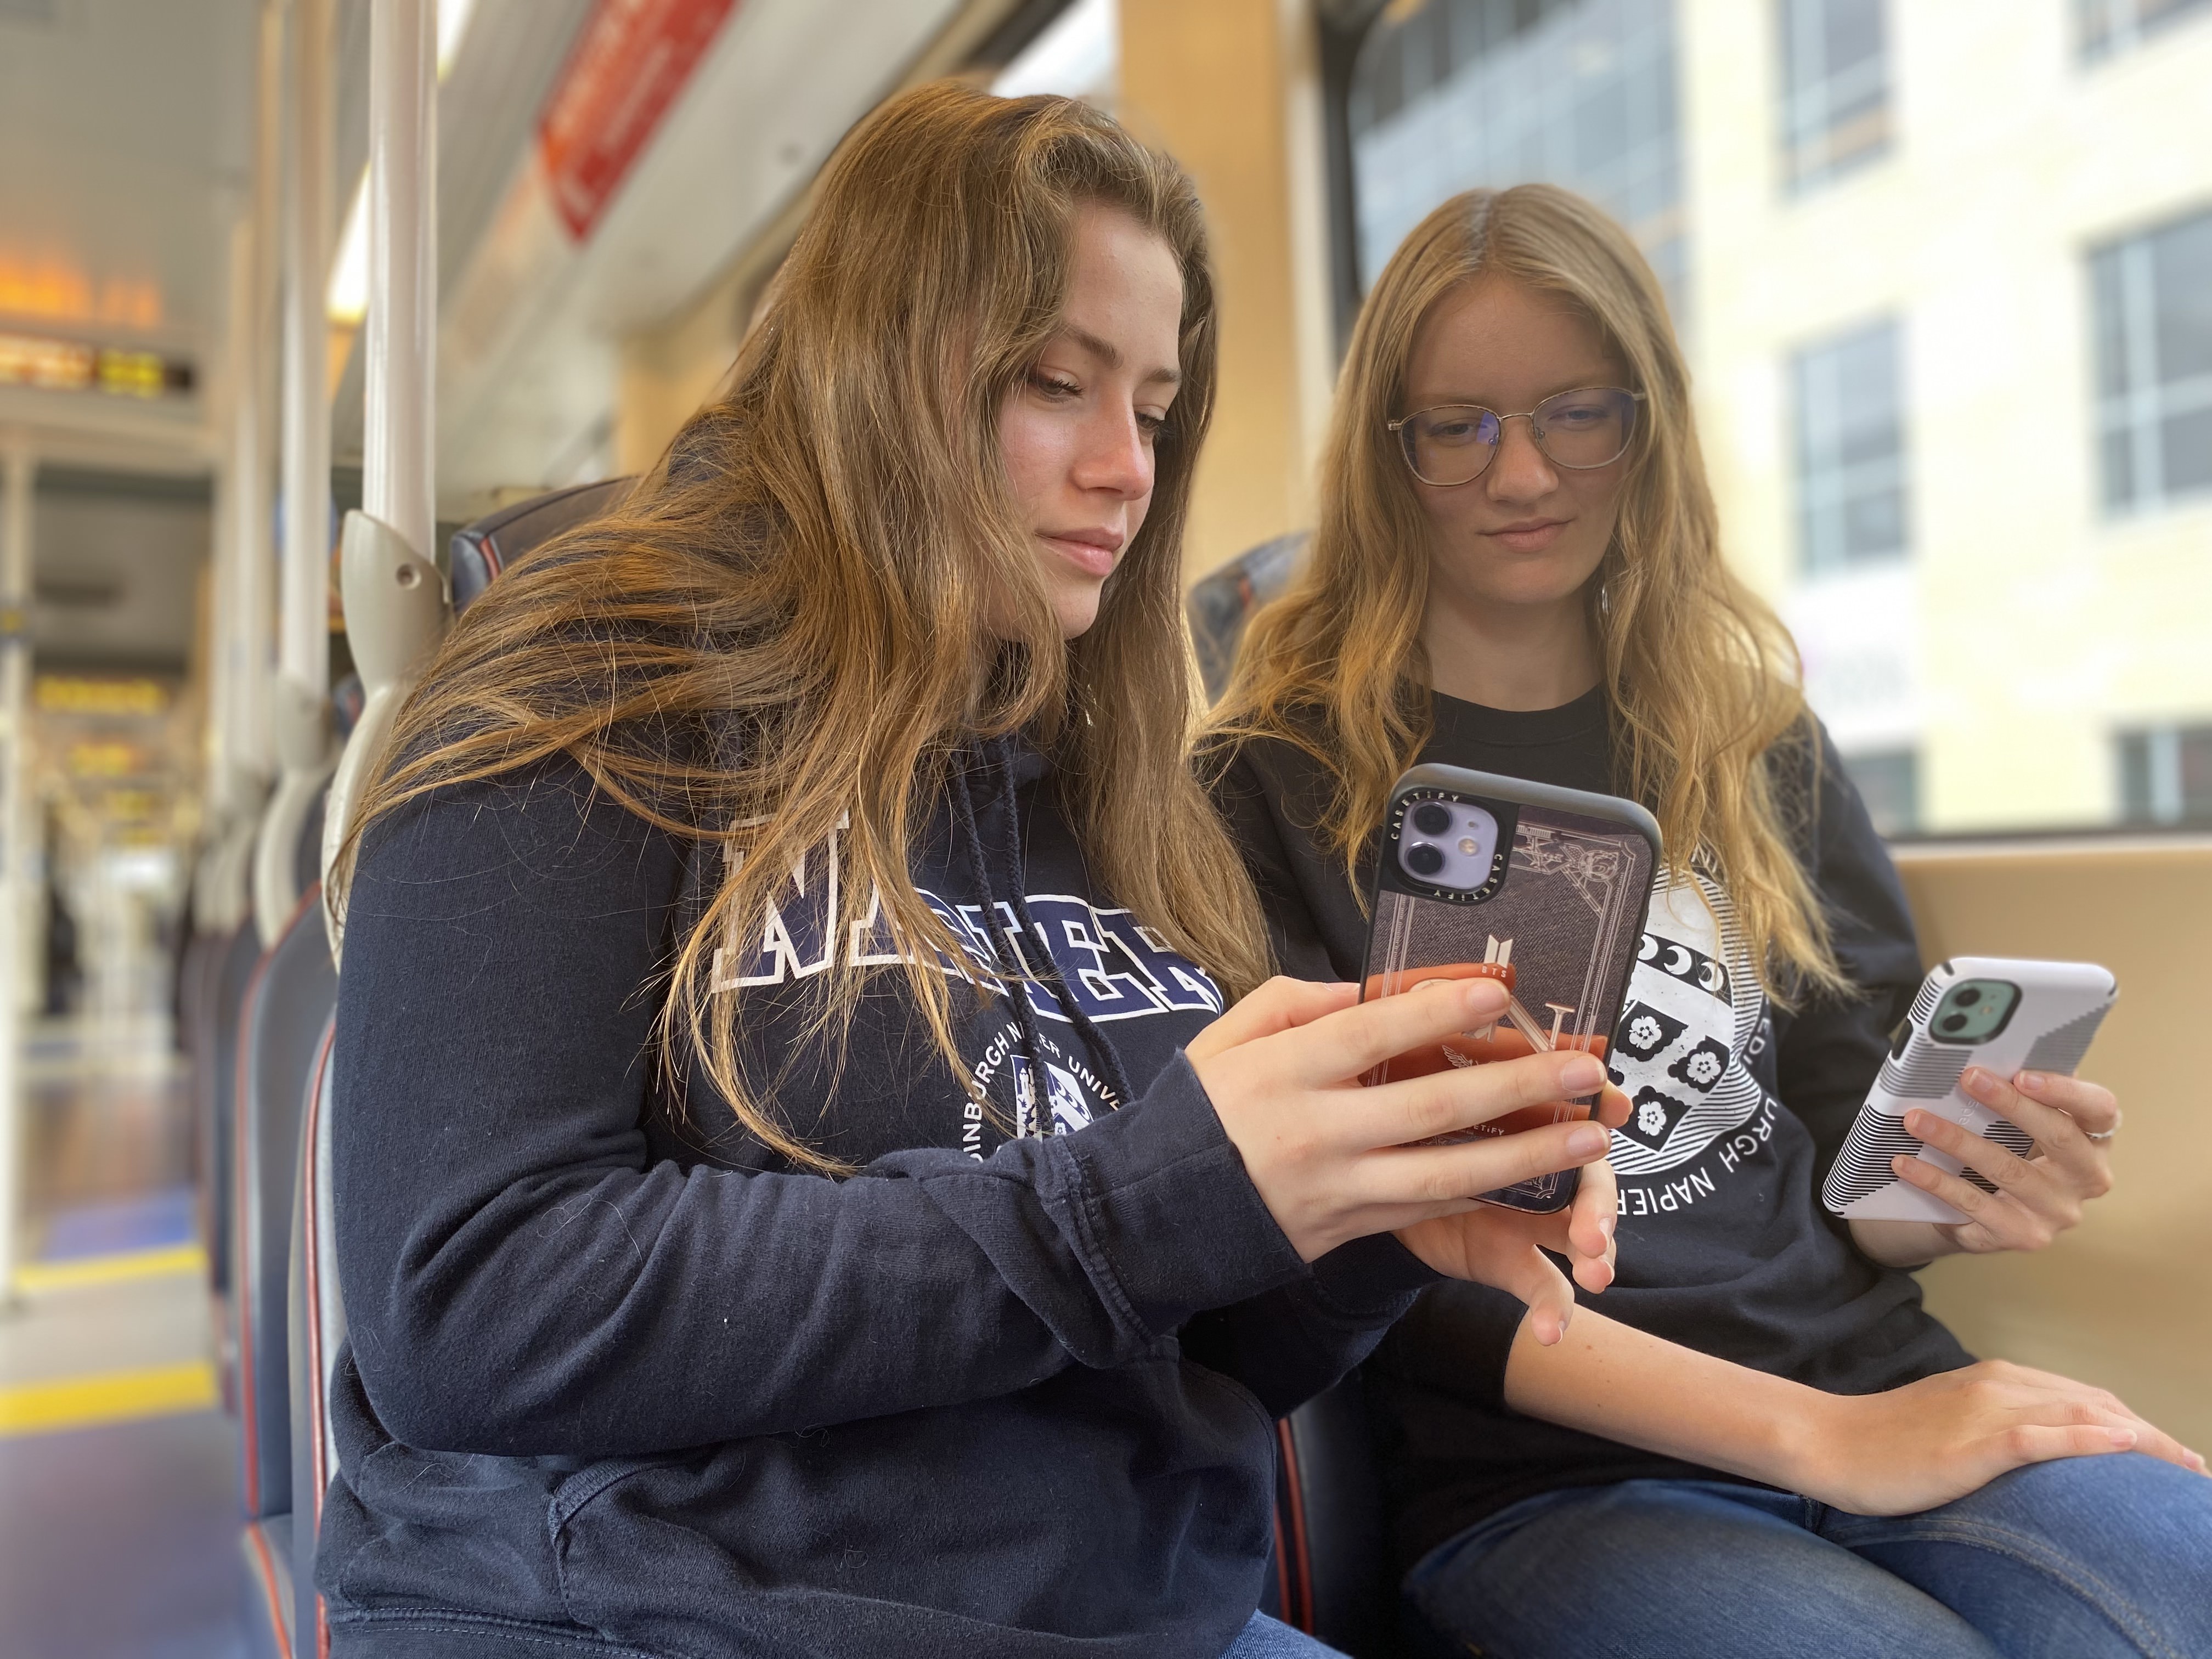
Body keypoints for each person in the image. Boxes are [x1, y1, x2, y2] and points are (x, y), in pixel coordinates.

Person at [317, 90, 1626, 1659]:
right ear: (870, 374)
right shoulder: (585, 698)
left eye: (1151, 407)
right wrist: (1134, 1208)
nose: (1125, 470)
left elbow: (1184, 1347)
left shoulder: (1116, 801)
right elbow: (471, 1304)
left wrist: (1356, 1232)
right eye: (1052, 383)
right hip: (670, 1616)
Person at [1205, 183, 2212, 1659]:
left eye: (1575, 414)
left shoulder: (1748, 732)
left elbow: (1841, 1120)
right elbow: (1362, 1270)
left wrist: (1960, 1182)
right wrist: (1817, 1440)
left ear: (1647, 425)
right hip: (1552, 1479)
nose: (1523, 470)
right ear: (1387, 455)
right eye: (1458, 424)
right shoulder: (1267, 785)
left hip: (1875, 1389)